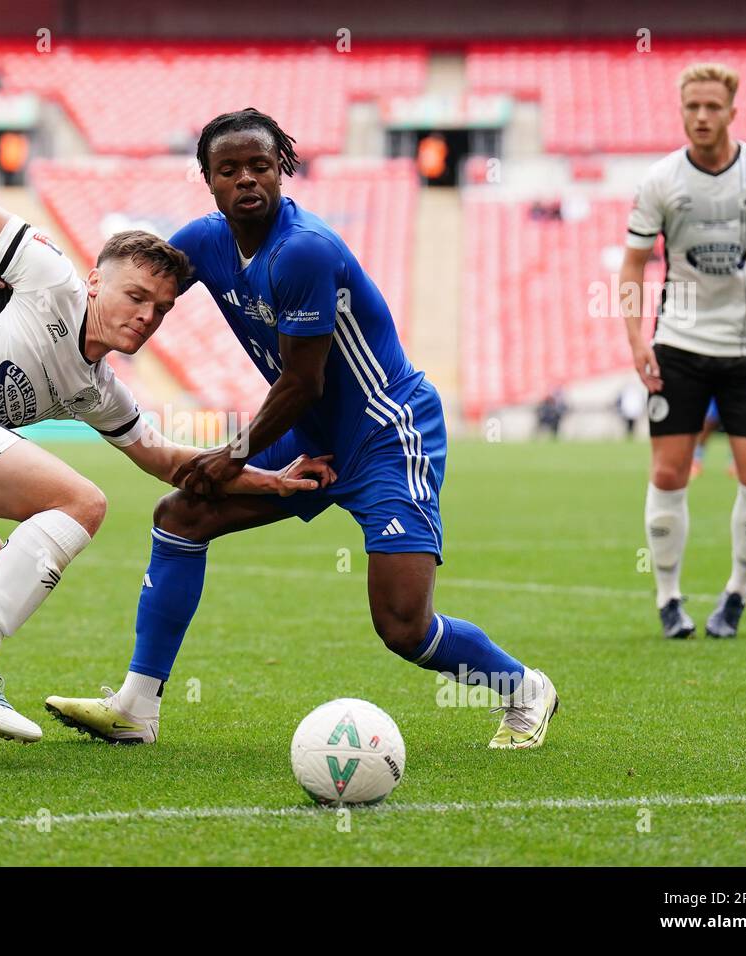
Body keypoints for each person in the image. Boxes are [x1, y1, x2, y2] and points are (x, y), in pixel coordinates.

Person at [0, 115, 333, 756]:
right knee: (81, 502)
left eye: (161, 310)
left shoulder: (96, 389)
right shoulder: (47, 277)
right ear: (94, 281)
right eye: (135, 296)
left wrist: (268, 480)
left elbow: (166, 460)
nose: (146, 317)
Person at [46, 108, 558, 748]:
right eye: (227, 169)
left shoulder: (305, 251)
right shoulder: (204, 242)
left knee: (403, 626)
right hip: (310, 433)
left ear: (283, 169)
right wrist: (46, 301)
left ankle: (523, 688)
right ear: (207, 179)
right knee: (181, 515)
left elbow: (301, 382)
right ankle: (136, 708)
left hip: (387, 434)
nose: (246, 180)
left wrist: (233, 456)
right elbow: (138, 279)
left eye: (260, 165)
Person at [620, 63, 746, 639]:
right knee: (668, 471)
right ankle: (668, 598)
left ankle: (736, 594)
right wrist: (636, 338)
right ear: (682, 111)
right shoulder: (660, 180)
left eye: (712, 106)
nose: (702, 116)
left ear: (733, 111)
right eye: (692, 107)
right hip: (677, 345)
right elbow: (633, 263)